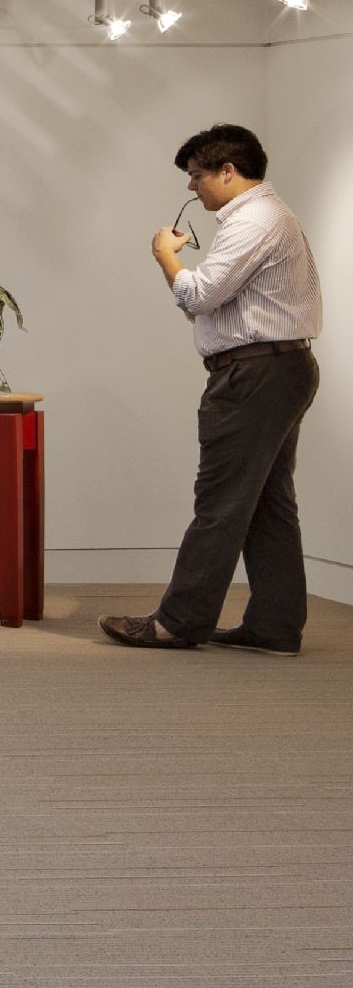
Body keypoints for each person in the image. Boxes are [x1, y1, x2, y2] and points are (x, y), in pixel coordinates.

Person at [103, 123, 322, 653]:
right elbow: (217, 305)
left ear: (228, 171)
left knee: (221, 502)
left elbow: (200, 296)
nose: (191, 186)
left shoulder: (255, 219)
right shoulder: (266, 217)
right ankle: (274, 629)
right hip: (278, 369)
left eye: (197, 175)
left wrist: (166, 256)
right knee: (268, 503)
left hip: (256, 376)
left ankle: (178, 622)